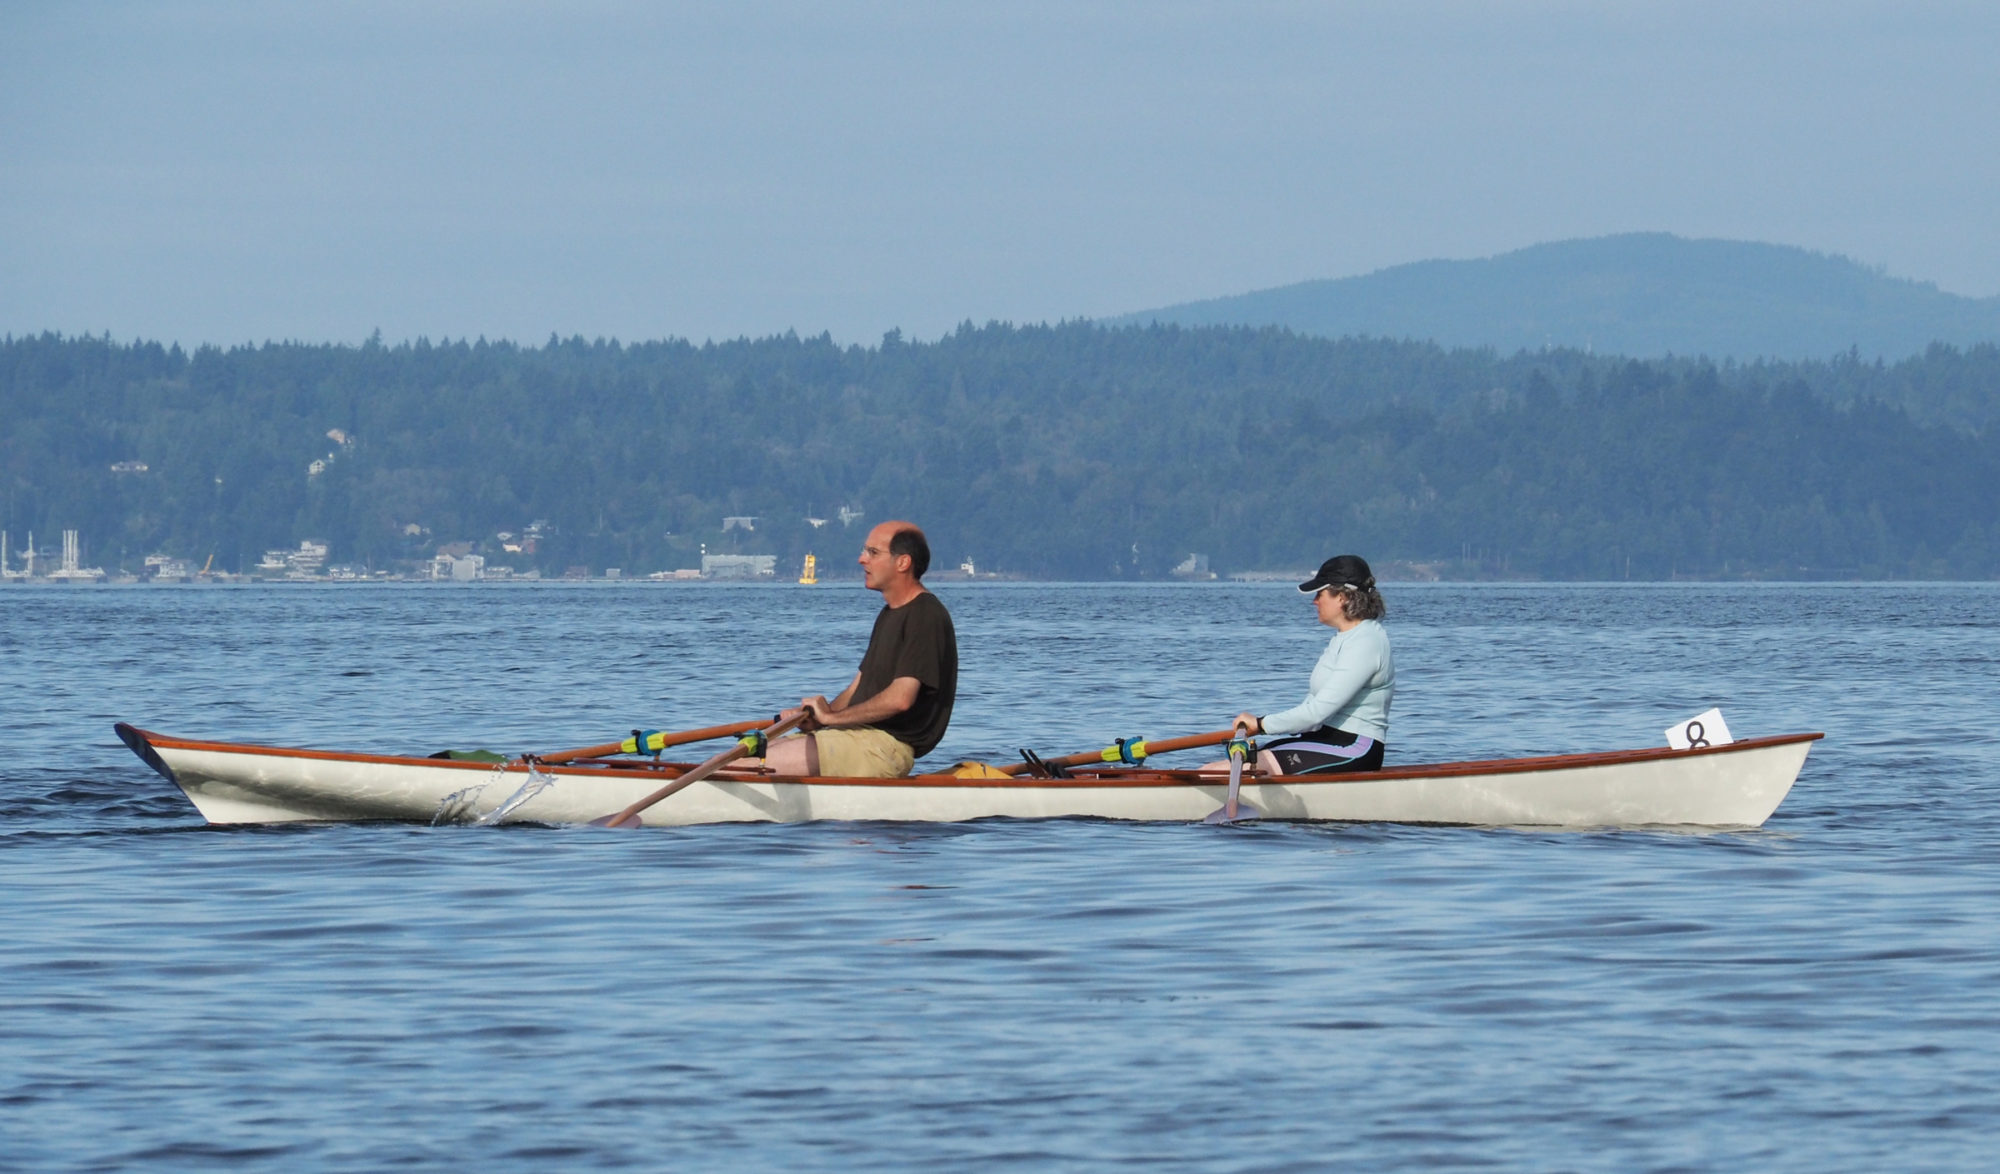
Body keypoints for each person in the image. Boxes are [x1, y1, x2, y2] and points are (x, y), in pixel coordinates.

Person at [754, 521, 957, 778]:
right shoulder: (888, 615)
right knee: (753, 753)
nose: (862, 560)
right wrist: (817, 718)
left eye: (873, 552)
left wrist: (831, 719)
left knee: (749, 765)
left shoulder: (926, 615)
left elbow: (900, 699)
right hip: (856, 739)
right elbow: (855, 691)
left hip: (884, 748)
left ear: (903, 563)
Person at [1219, 554, 1393, 776]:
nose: (1315, 601)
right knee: (1232, 763)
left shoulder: (1367, 642)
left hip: (1355, 748)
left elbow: (1316, 713)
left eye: (1320, 593)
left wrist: (1262, 724)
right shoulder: (1344, 638)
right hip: (1324, 738)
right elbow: (1311, 715)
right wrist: (1262, 728)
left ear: (1341, 597)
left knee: (1228, 770)